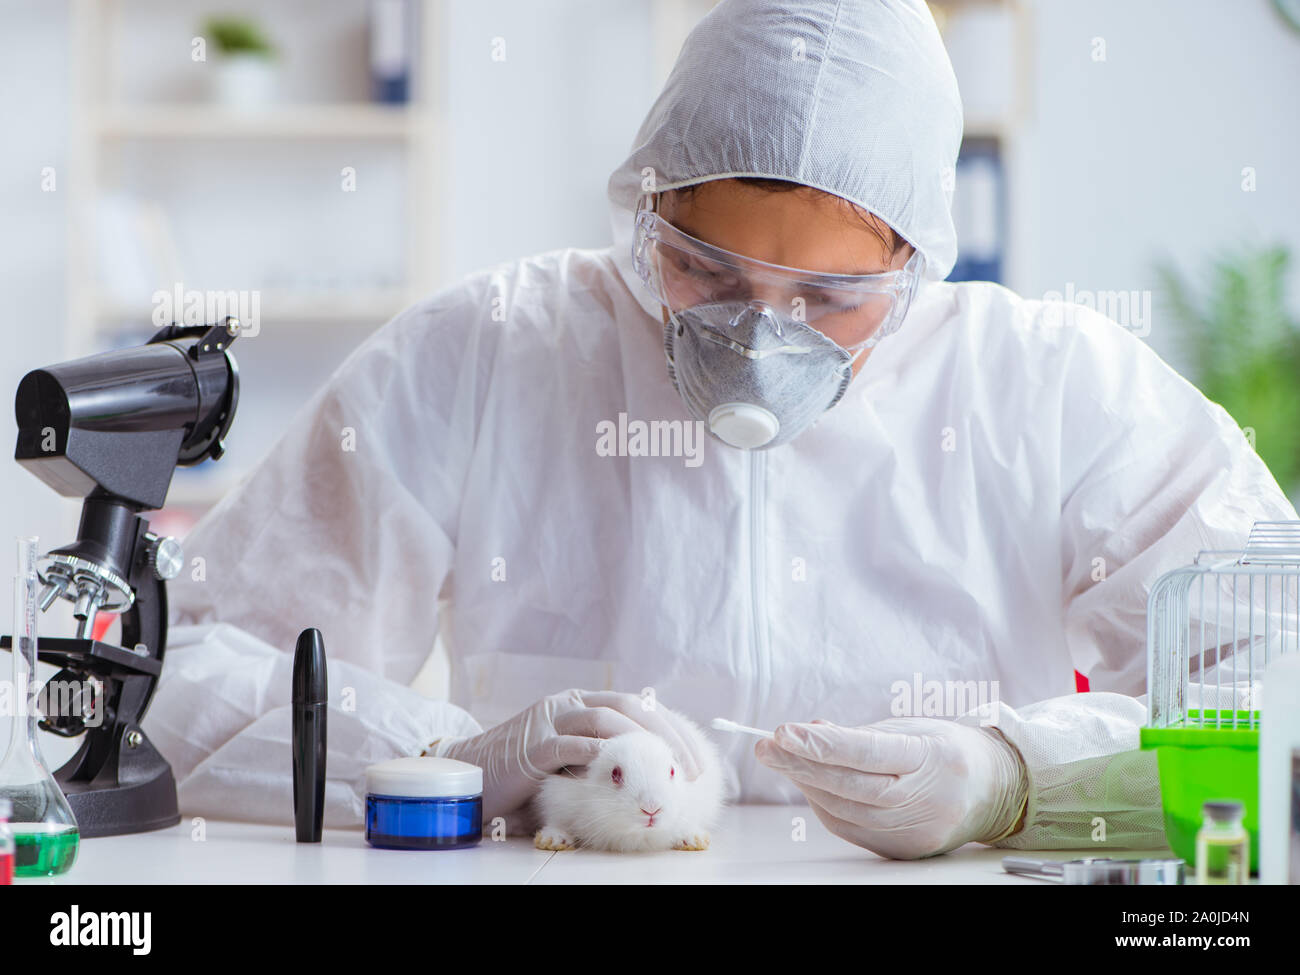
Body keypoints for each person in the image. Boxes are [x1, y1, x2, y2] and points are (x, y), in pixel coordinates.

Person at [145, 0, 1295, 859]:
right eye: (706, 271)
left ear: (916, 266)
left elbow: (1276, 682)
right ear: (646, 211)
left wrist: (1019, 780)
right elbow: (168, 675)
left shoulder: (1047, 388)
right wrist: (454, 763)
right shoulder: (490, 351)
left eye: (831, 302)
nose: (760, 338)